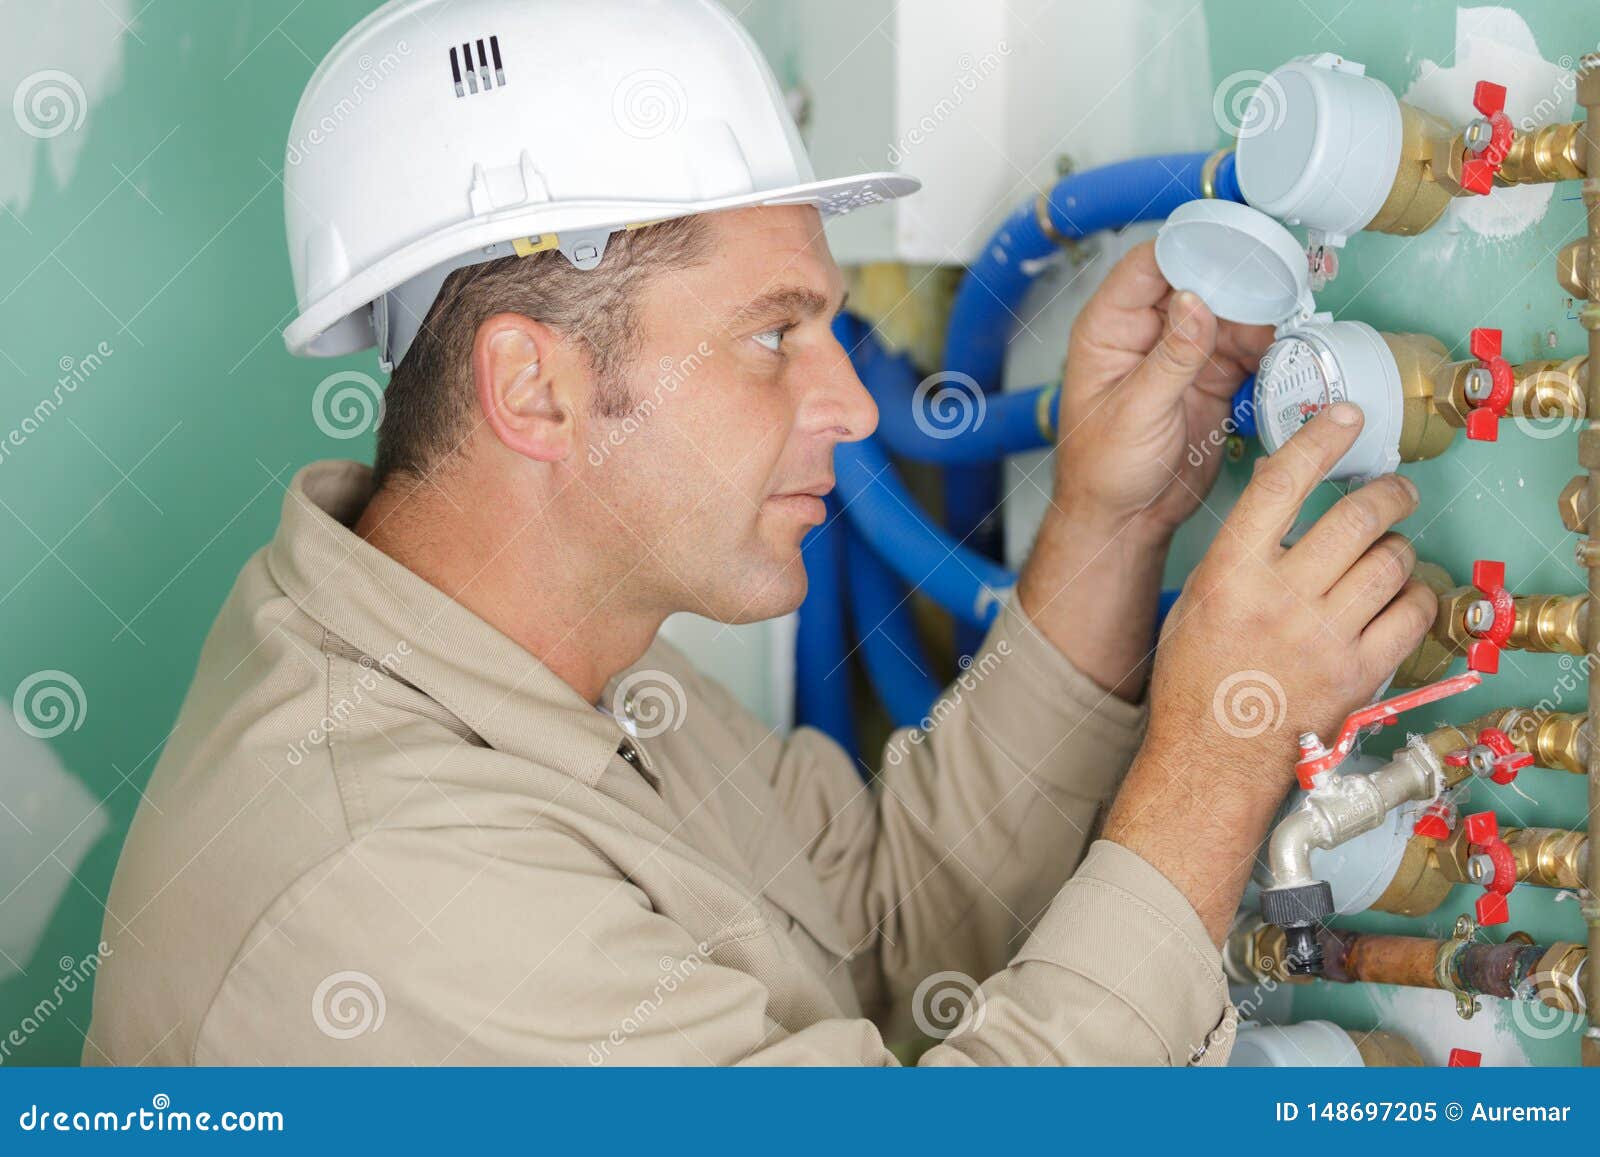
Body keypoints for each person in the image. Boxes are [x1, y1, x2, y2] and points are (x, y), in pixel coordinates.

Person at [84, 0, 1434, 1065]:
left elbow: (902, 921)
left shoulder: (555, 664)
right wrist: (1217, 756)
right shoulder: (392, 881)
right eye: (774, 335)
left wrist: (1107, 522)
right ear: (533, 388)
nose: (851, 405)